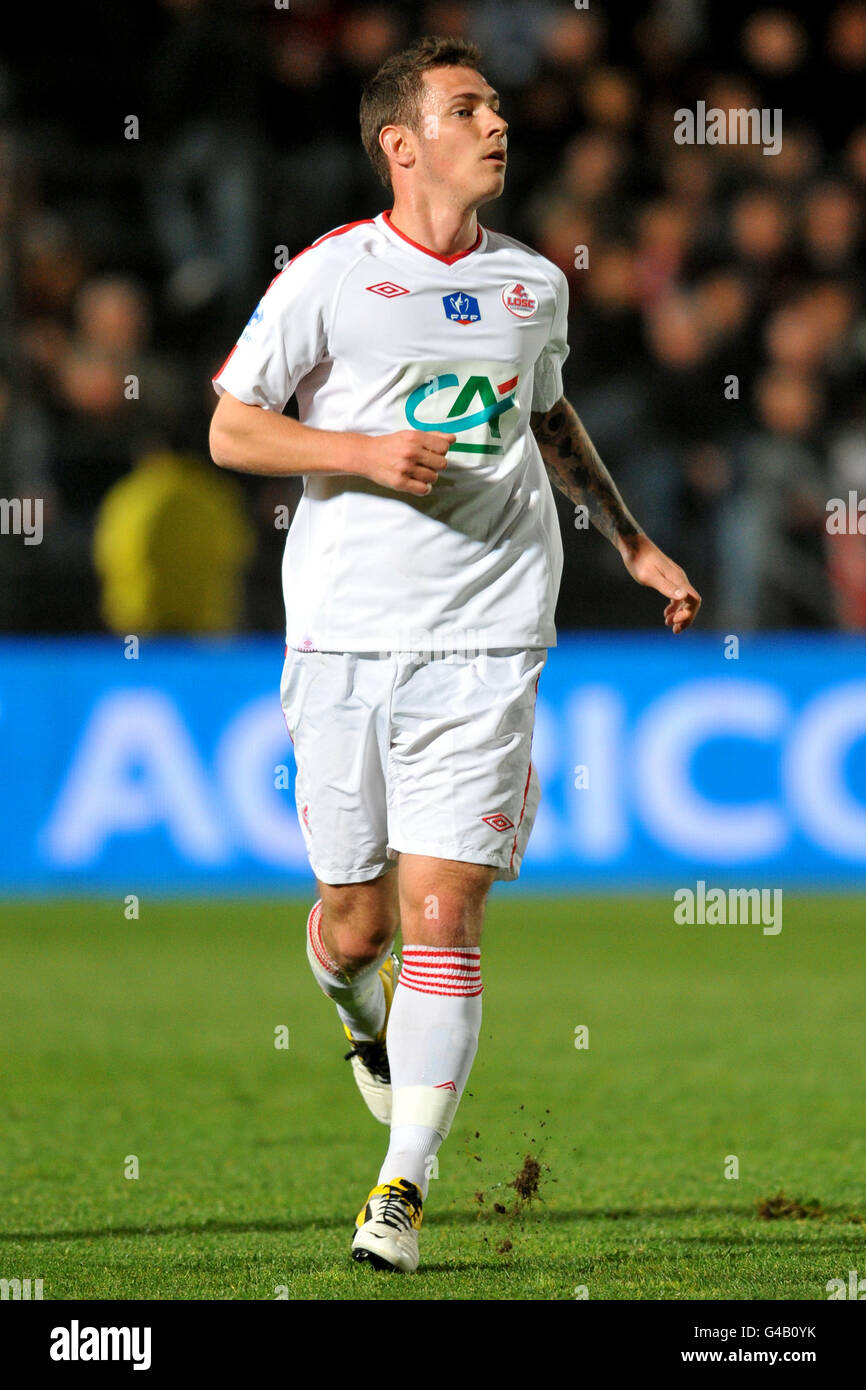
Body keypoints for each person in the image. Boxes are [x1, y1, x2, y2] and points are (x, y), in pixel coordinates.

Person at [208, 35, 701, 1274]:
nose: (495, 123)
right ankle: (345, 1003)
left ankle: (399, 1190)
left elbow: (545, 413)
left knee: (444, 910)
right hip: (343, 638)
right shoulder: (328, 278)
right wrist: (359, 454)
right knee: (358, 918)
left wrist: (629, 543)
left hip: (486, 638)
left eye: (492, 105)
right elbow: (228, 428)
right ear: (400, 141)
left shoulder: (535, 284)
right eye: (466, 107)